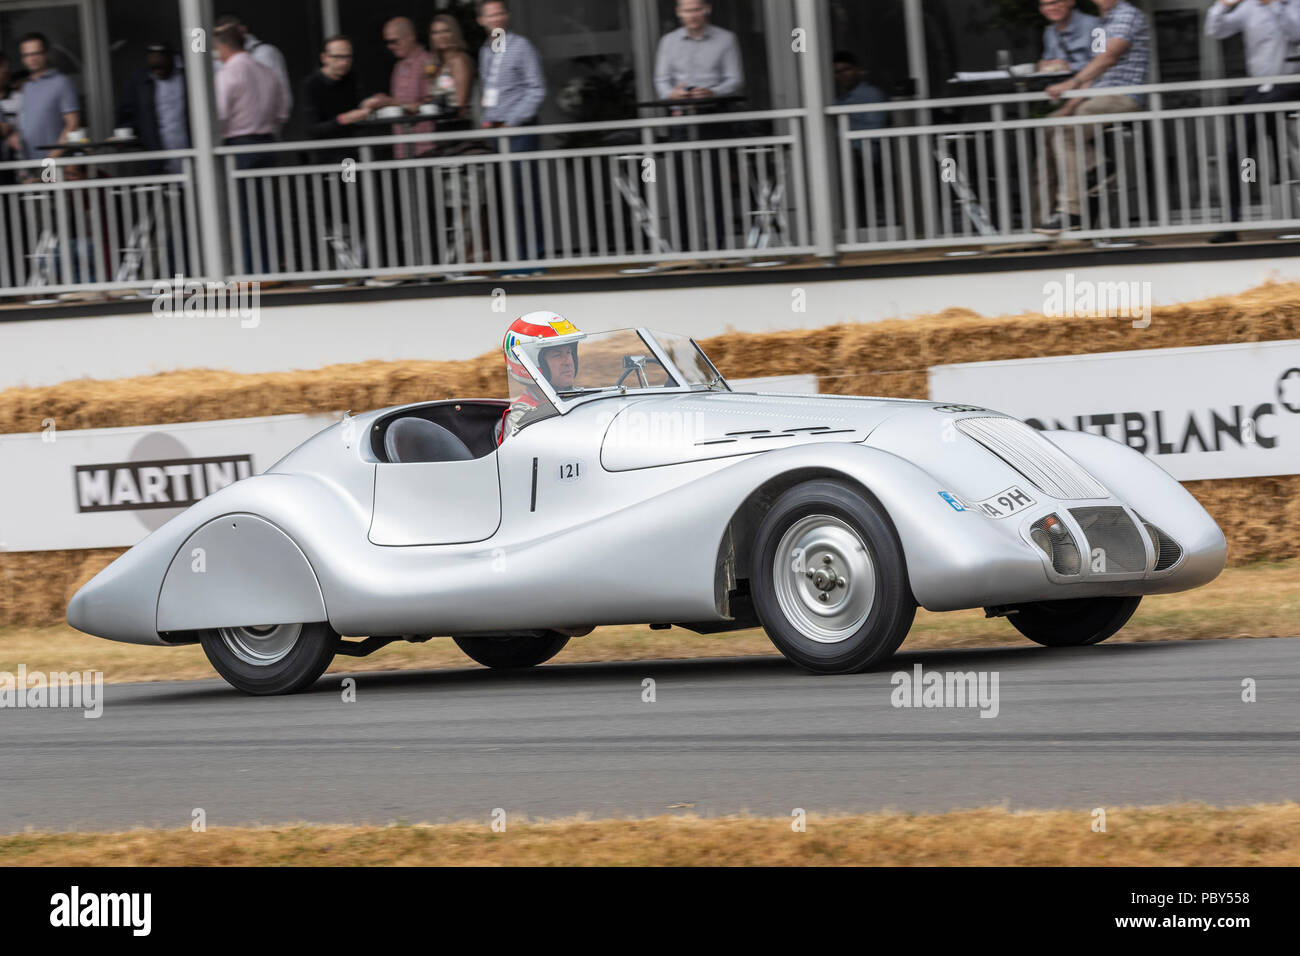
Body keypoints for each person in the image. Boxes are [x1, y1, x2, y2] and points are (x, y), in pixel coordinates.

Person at [1038, 0, 1151, 233]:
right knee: (1053, 127)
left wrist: (1071, 83)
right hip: (1098, 95)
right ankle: (1096, 171)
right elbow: (1094, 69)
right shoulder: (1102, 24)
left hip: (1121, 94)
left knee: (1065, 131)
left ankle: (1071, 211)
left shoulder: (1126, 15)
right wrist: (1070, 105)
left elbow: (1107, 59)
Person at [1204, 0, 1300, 242]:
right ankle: (1231, 224)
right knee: (1235, 152)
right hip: (1259, 89)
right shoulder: (1249, 8)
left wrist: (1274, 6)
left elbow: (1296, 32)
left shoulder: (1293, 5)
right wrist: (1222, 6)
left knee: (1288, 153)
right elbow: (1215, 30)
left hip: (1291, 85)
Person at [477, 0, 547, 267]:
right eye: (490, 15)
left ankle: (534, 258)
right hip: (496, 134)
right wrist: (488, 120)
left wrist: (512, 122)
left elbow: (536, 89)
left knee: (525, 196)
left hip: (518, 133)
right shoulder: (485, 50)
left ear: (506, 16)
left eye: (500, 13)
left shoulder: (521, 47)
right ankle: (514, 258)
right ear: (481, 20)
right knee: (504, 198)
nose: (496, 18)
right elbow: (490, 91)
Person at [214, 23, 286, 272]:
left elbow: (219, 115)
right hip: (267, 142)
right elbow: (282, 111)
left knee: (244, 213)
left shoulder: (228, 73)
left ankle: (251, 271)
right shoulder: (267, 71)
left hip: (239, 145)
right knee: (267, 210)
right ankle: (271, 268)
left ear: (223, 46)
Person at [497, 312, 581, 444]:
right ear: (530, 361)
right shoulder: (520, 416)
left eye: (569, 352)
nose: (568, 361)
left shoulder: (583, 399)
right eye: (557, 355)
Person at [361, 17, 435, 159]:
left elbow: (430, 104)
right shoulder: (399, 66)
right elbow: (402, 103)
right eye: (387, 42)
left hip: (425, 149)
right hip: (402, 147)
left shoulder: (427, 62)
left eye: (394, 41)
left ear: (411, 37)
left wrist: (390, 102)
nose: (390, 46)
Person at [117, 43, 189, 173]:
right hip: (159, 153)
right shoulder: (141, 82)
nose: (158, 72)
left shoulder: (187, 77)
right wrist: (124, 133)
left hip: (190, 149)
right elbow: (129, 113)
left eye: (162, 68)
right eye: (154, 69)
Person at [653, 0, 744, 103]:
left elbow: (734, 79)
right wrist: (670, 94)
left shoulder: (726, 38)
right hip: (680, 110)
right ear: (678, 12)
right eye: (687, 11)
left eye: (697, 10)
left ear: (707, 9)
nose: (692, 15)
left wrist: (714, 92)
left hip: (717, 107)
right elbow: (661, 80)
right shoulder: (668, 41)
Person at [214, 13, 292, 132]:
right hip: (233, 134)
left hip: (262, 131)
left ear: (242, 30)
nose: (227, 38)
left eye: (230, 33)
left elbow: (282, 95)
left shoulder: (265, 53)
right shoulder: (216, 60)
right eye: (221, 35)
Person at [15, 32, 80, 164]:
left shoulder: (62, 82)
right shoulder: (26, 87)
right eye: (27, 55)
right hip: (29, 163)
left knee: (52, 184)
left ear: (46, 53)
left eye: (36, 53)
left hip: (54, 162)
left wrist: (51, 158)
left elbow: (72, 124)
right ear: (23, 59)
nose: (32, 58)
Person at [302, 35, 367, 147]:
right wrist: (342, 120)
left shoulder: (352, 78)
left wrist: (367, 107)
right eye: (337, 57)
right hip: (324, 154)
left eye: (348, 57)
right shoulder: (311, 85)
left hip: (350, 151)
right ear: (324, 58)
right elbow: (311, 129)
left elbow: (359, 114)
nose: (344, 63)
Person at [1036, 0, 1102, 74]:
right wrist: (1043, 64)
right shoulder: (1049, 32)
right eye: (1044, 4)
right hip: (1060, 82)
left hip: (1093, 82)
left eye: (1055, 2)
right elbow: (1047, 61)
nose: (1051, 8)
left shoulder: (1096, 26)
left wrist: (1069, 66)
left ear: (1071, 2)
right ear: (1041, 9)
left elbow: (1103, 62)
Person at [428, 14, 474, 119]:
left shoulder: (459, 61)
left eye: (446, 31)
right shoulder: (438, 64)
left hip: (456, 124)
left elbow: (460, 103)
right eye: (435, 33)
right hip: (440, 123)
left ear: (454, 33)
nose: (441, 36)